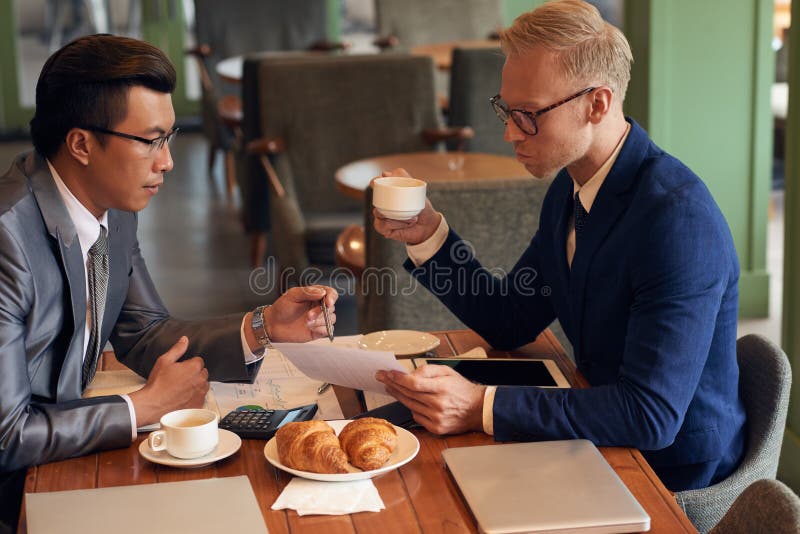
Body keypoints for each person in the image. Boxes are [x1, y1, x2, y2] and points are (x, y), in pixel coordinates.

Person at [373, 0, 745, 493]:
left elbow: (650, 415)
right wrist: (427, 234)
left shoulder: (676, 220)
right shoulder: (570, 189)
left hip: (670, 475)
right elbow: (510, 320)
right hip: (599, 434)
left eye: (528, 114)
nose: (509, 133)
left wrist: (480, 406)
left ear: (597, 105)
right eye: (506, 110)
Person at [0, 34, 337, 531]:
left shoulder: (111, 204)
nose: (167, 161)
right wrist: (141, 407)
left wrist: (263, 326)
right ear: (81, 144)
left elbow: (144, 332)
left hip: (62, 461)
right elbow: (7, 435)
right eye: (150, 140)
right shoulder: (8, 238)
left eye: (169, 137)